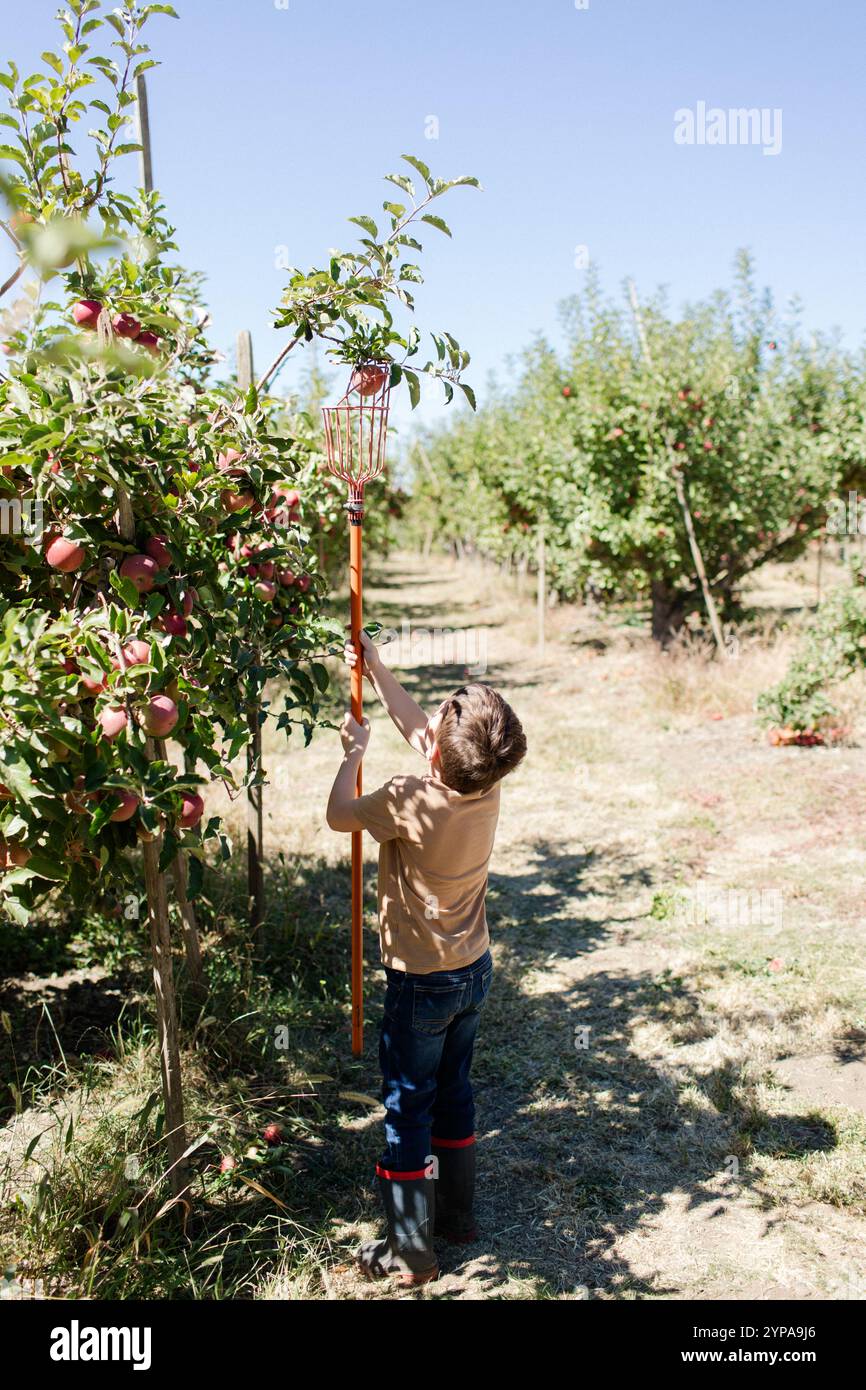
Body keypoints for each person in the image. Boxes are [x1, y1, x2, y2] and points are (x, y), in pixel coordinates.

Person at [326, 630, 527, 1285]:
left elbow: (337, 817)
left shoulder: (405, 798)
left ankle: (411, 1250)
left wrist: (350, 755)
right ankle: (457, 1217)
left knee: (408, 1104)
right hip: (473, 970)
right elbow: (419, 729)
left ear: (440, 752)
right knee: (454, 1092)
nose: (432, 719)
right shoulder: (483, 786)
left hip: (421, 983)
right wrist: (377, 669)